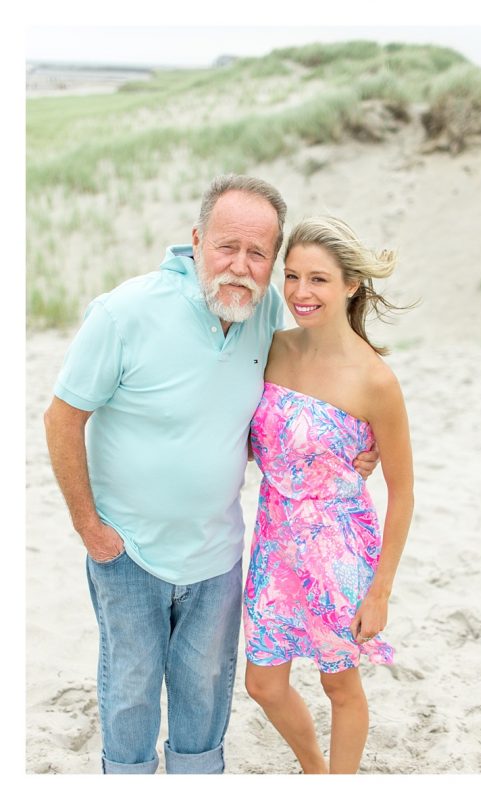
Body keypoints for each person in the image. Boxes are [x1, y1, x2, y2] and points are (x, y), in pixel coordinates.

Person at [43, 175, 374, 773]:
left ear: (272, 261)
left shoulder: (266, 309)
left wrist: (354, 444)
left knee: (205, 698)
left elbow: (313, 381)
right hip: (129, 553)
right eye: (227, 246)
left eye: (258, 254)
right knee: (132, 692)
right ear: (196, 240)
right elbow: (62, 418)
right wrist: (91, 529)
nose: (240, 266)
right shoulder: (124, 313)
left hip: (220, 555)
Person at [241, 216, 414, 774]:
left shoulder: (375, 380)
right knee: (263, 682)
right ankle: (315, 769)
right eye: (291, 277)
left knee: (339, 683)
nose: (299, 293)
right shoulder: (272, 348)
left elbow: (404, 489)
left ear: (351, 285)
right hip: (273, 539)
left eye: (317, 279)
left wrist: (381, 591)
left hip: (337, 546)